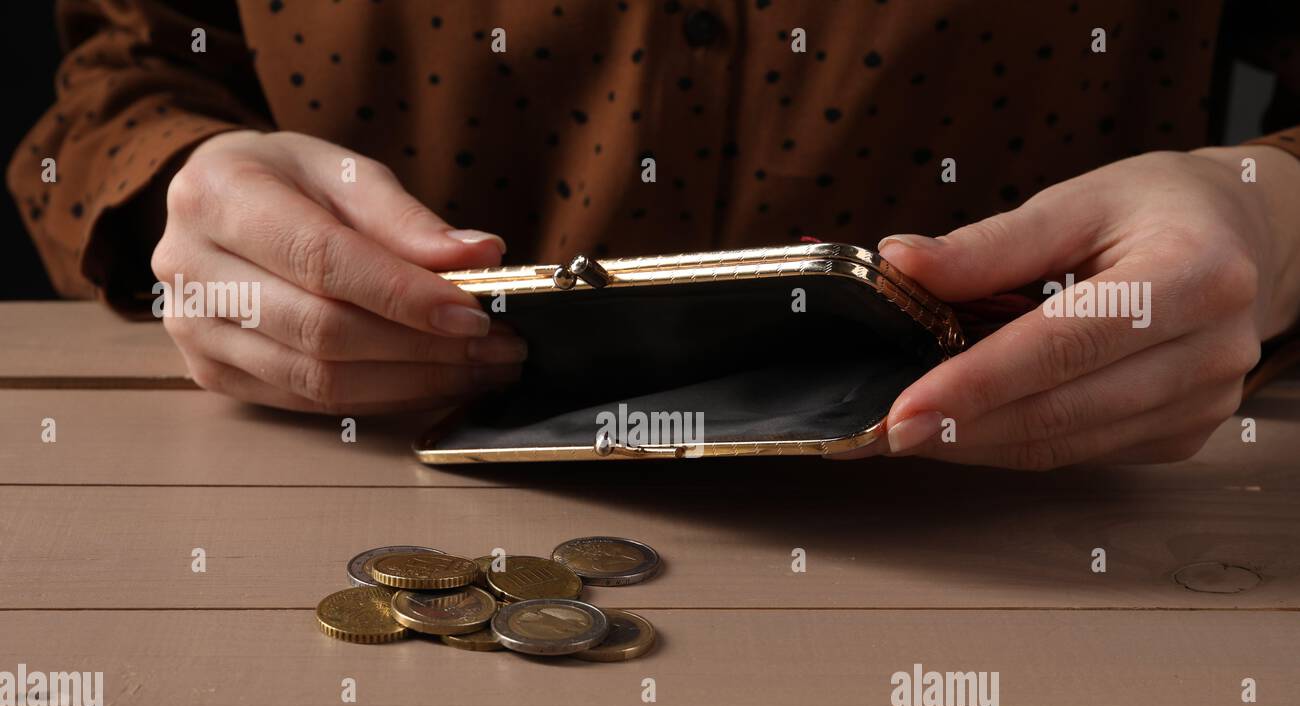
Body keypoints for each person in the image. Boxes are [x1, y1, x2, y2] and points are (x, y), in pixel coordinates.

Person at [8, 0, 1300, 468]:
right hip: (344, 492)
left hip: (1075, 546)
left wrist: (1274, 221)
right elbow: (117, 85)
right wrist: (186, 182)